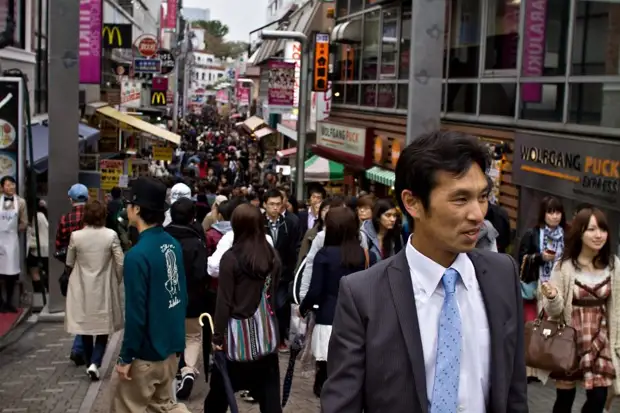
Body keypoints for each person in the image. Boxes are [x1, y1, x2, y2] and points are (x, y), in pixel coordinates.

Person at [321, 130, 527, 413]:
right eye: (460, 199)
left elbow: (514, 392)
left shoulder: (503, 274)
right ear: (412, 202)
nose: (478, 214)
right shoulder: (363, 294)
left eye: (482, 197)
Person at [111, 177, 188, 413]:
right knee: (164, 407)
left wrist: (126, 357)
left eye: (129, 204)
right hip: (170, 348)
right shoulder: (172, 244)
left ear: (137, 209)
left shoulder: (136, 255)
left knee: (125, 407)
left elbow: (136, 313)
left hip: (146, 353)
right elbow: (180, 296)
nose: (126, 208)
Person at [204, 204, 282, 413]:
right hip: (266, 337)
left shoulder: (231, 258)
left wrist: (217, 337)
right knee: (270, 396)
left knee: (217, 398)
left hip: (234, 339)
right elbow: (272, 296)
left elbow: (224, 302)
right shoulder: (272, 256)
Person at [540, 207, 620, 412]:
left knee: (598, 397)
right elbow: (554, 311)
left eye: (602, 229)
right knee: (565, 398)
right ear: (580, 232)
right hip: (570, 338)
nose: (599, 235)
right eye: (592, 229)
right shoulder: (564, 267)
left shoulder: (613, 265)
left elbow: (617, 306)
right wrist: (552, 296)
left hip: (600, 338)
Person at [299, 206, 366, 397]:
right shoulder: (361, 254)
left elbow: (315, 291)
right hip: (355, 318)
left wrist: (303, 308)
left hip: (328, 317)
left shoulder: (325, 254)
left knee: (327, 372)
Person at [64, 200, 124, 380]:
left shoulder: (76, 236)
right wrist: (117, 279)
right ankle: (95, 362)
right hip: (104, 284)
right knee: (103, 326)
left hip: (81, 286)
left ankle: (90, 360)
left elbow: (69, 261)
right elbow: (120, 261)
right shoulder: (110, 235)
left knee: (86, 326)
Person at [164, 198, 208, 400]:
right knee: (192, 336)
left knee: (167, 335)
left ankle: (169, 373)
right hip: (192, 299)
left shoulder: (162, 240)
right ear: (193, 218)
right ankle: (188, 371)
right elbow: (201, 274)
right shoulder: (197, 242)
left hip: (165, 300)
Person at [263, 188, 301, 352]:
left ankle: (280, 337)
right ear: (265, 205)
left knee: (280, 305)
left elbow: (295, 247)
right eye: (271, 204)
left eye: (278, 204)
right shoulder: (258, 222)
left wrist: (291, 269)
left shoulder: (290, 223)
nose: (275, 208)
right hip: (263, 272)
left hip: (284, 273)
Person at [0, 175, 28, 312]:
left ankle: (9, 302)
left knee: (11, 273)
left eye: (12, 184)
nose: (11, 187)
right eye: (7, 185)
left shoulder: (21, 202)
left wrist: (14, 229)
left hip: (11, 241)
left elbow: (24, 222)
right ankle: (0, 301)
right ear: (1, 187)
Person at [359, 198, 403, 263]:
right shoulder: (364, 235)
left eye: (394, 215)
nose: (393, 219)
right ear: (378, 216)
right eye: (388, 215)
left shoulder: (396, 236)